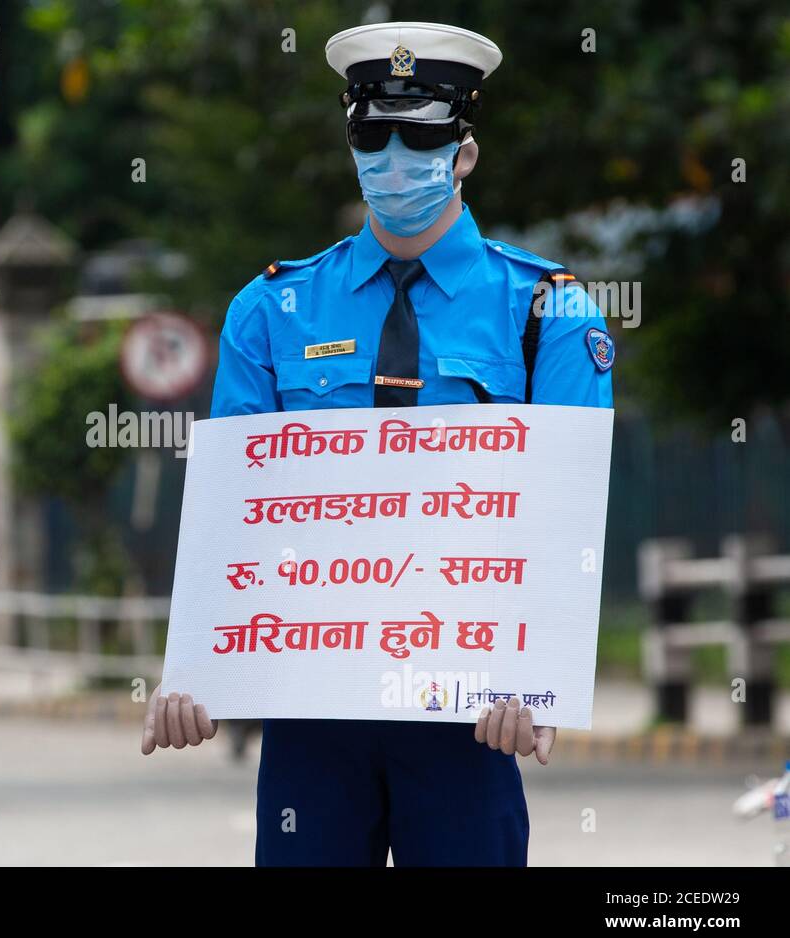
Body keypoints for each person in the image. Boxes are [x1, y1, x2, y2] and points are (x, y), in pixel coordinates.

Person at [140, 22, 614, 866]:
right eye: (372, 133)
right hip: (311, 711)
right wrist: (197, 670)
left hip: (469, 714)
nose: (394, 154)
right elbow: (233, 513)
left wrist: (535, 679)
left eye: (421, 132)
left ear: (464, 151)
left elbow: (565, 525)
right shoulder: (270, 309)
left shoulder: (552, 312)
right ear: (350, 143)